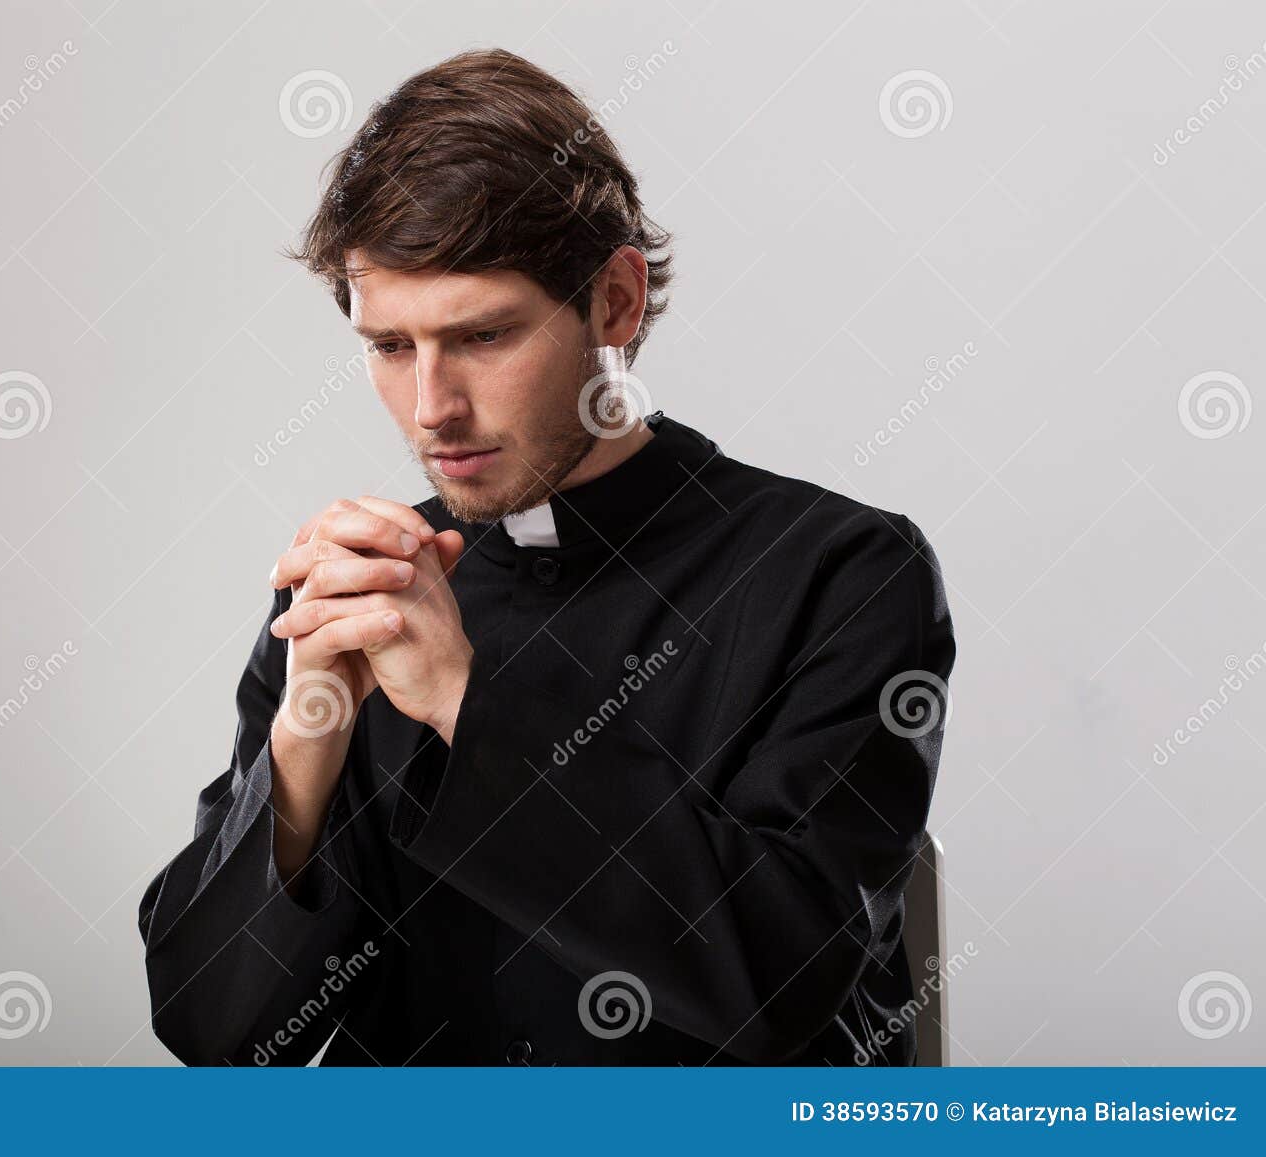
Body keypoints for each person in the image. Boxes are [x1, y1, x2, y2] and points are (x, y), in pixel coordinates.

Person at [138, 47, 956, 1066]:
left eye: (483, 336)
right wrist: (301, 752)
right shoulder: (357, 586)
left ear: (614, 301)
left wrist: (464, 703)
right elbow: (210, 1030)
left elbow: (786, 980)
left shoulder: (843, 571)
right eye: (389, 346)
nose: (431, 407)